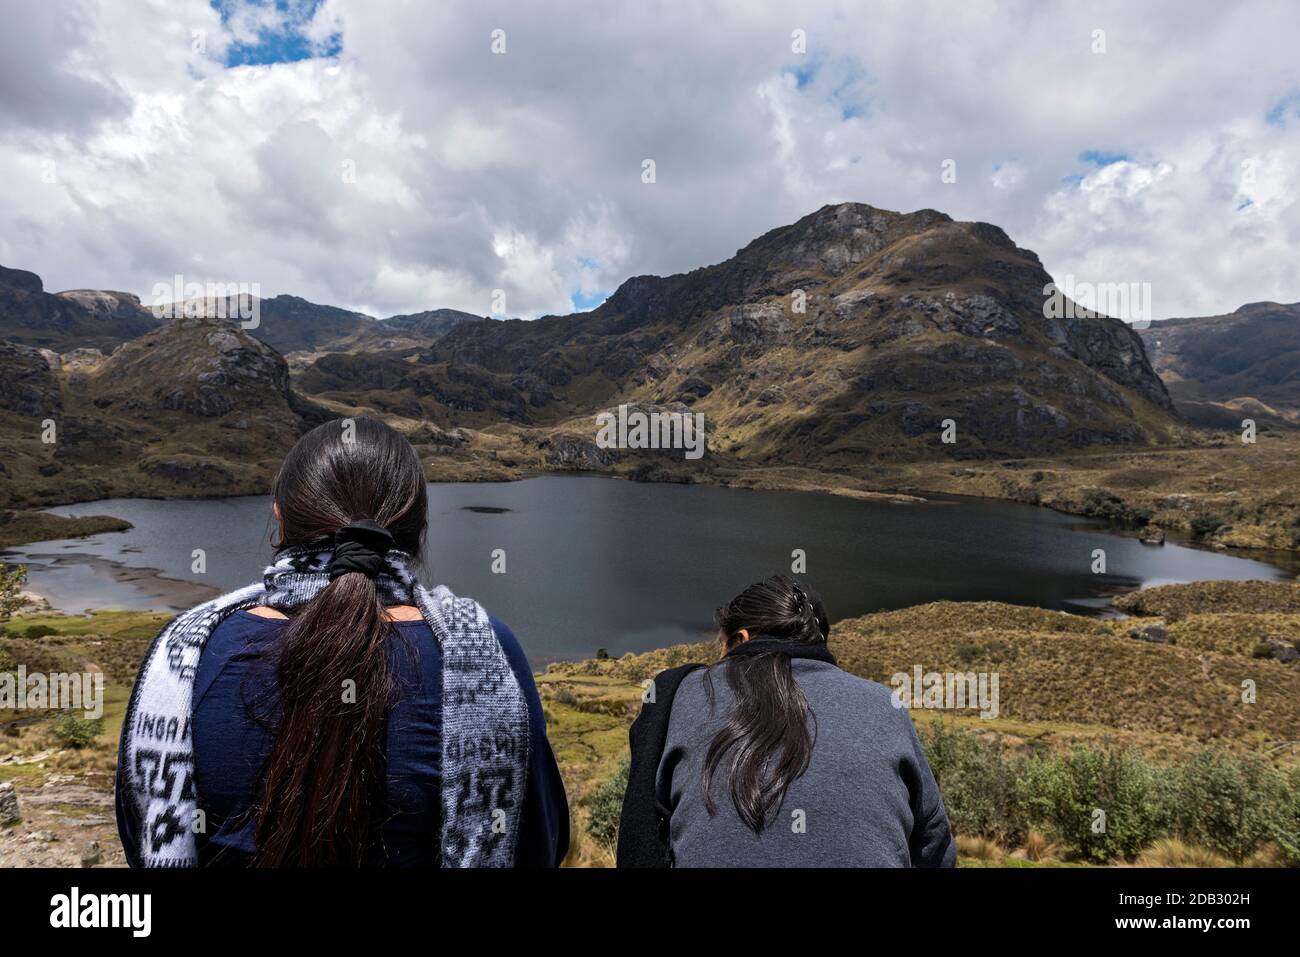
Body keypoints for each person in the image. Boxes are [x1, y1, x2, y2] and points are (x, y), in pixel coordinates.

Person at [115, 416, 568, 867]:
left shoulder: (183, 656)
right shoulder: (484, 651)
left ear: (279, 518)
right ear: (418, 529)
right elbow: (536, 844)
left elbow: (139, 833)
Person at [618, 573, 954, 867]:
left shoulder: (683, 695)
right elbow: (934, 844)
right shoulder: (883, 705)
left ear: (741, 639)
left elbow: (640, 841)